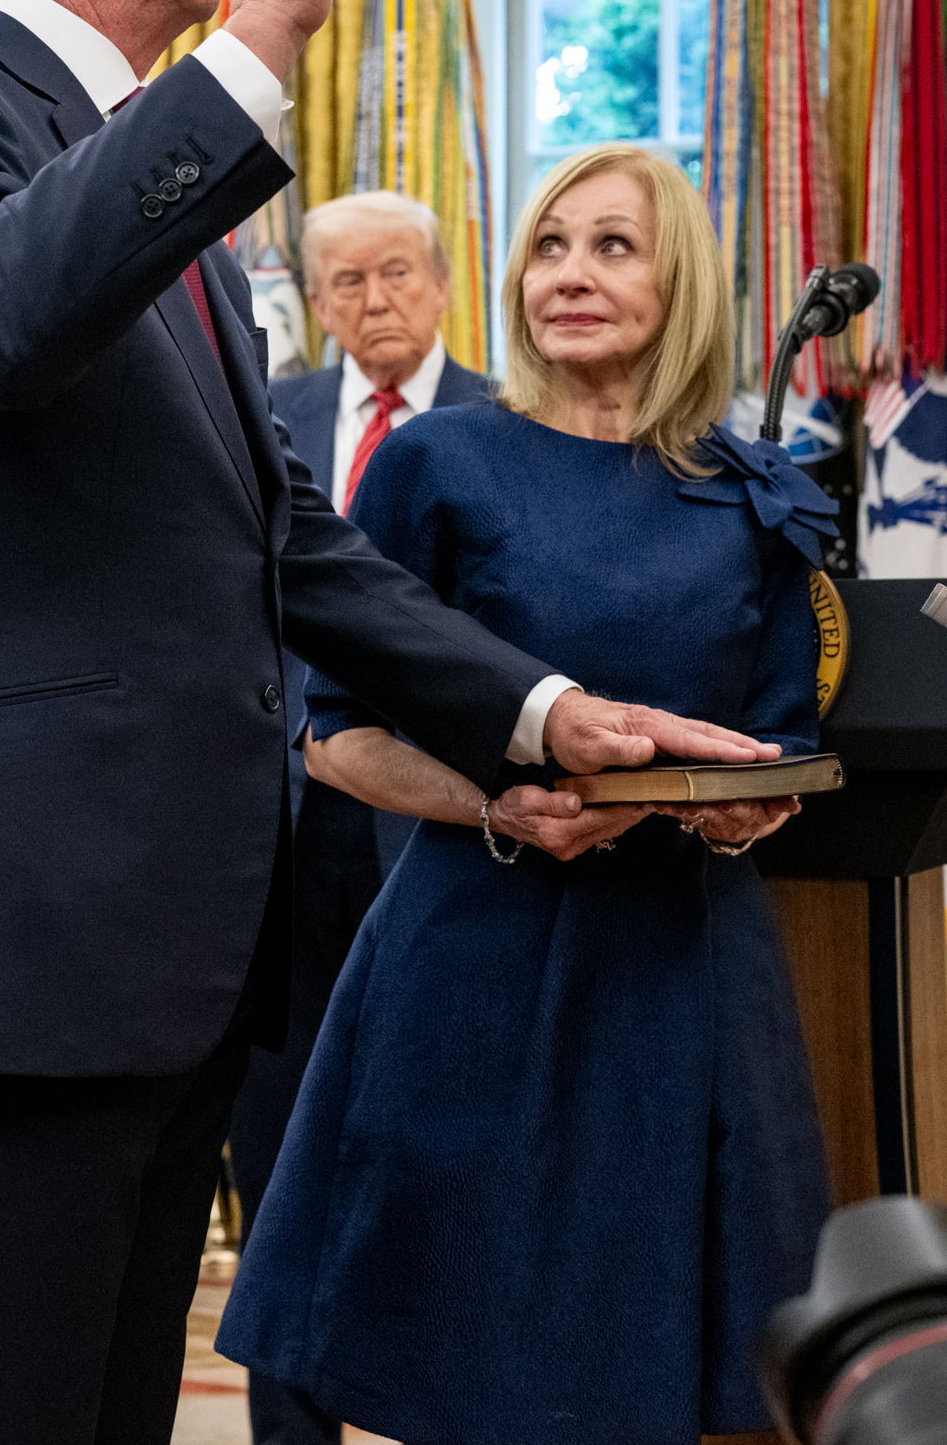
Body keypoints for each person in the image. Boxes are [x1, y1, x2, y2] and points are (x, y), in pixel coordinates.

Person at [0, 0, 769, 1445]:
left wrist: (546, 713)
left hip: (170, 965)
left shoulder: (178, 200)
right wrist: (253, 52)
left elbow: (288, 543)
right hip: (3, 959)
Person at [220, 144, 835, 1445]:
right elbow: (334, 739)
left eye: (612, 246)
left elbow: (779, 743)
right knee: (473, 1348)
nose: (570, 275)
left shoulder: (754, 496)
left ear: (681, 278)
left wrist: (748, 804)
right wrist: (499, 805)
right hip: (474, 956)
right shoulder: (435, 465)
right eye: (549, 247)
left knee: (674, 1358)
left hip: (686, 972)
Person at [234, 186, 487, 1445]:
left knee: (432, 1134)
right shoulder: (267, 414)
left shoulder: (507, 423)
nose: (375, 300)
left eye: (397, 274)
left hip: (435, 823)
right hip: (282, 822)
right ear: (318, 301)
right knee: (280, 1137)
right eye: (349, 282)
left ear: (442, 283)